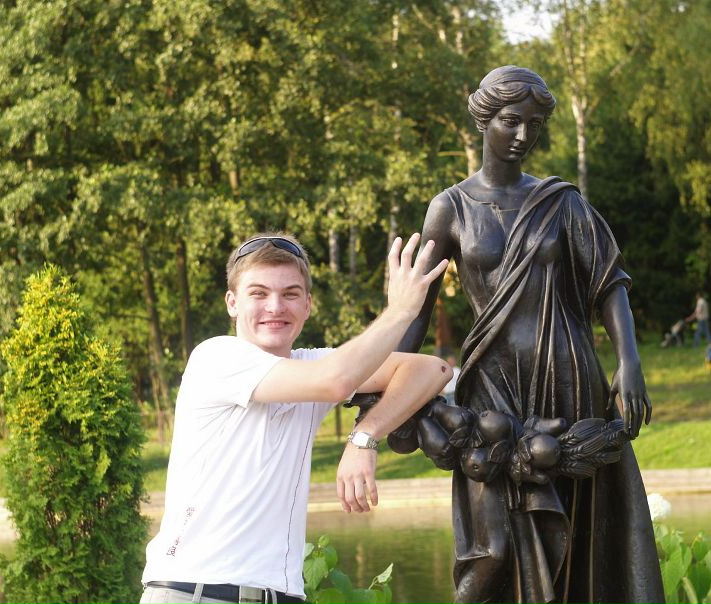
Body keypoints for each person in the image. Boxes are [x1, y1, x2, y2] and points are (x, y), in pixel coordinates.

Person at [397, 66, 663, 603]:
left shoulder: (561, 202)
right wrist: (388, 387)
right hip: (491, 392)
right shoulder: (450, 208)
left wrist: (629, 361)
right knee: (492, 550)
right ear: (484, 119)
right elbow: (416, 311)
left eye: (534, 125)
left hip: (569, 381)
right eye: (511, 121)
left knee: (577, 538)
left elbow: (609, 283)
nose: (523, 135)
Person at [140, 232, 451, 604]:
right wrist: (401, 311)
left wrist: (365, 436)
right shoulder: (215, 358)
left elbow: (433, 370)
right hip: (195, 592)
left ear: (307, 305)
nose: (275, 306)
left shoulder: (310, 365)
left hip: (281, 594)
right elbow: (335, 381)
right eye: (258, 293)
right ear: (232, 303)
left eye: (290, 294)